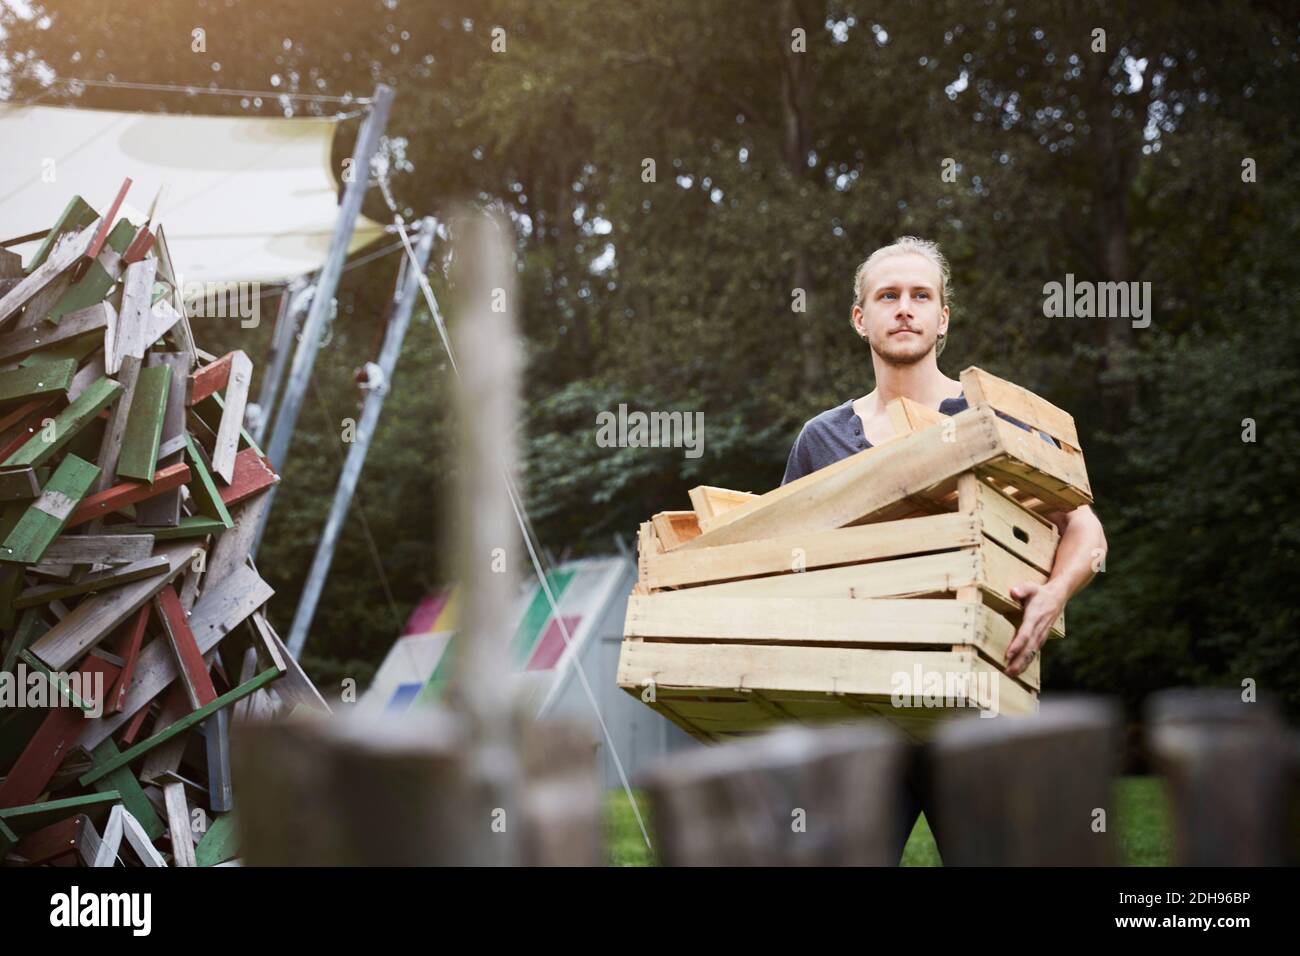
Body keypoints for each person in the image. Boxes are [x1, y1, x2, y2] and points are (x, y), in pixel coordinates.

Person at [781, 236, 1108, 863]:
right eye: (888, 296)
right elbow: (787, 563)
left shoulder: (992, 417)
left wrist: (1054, 594)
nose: (904, 308)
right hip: (863, 710)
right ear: (861, 318)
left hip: (980, 698)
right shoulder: (820, 439)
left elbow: (1086, 531)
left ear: (942, 319)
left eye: (920, 296)